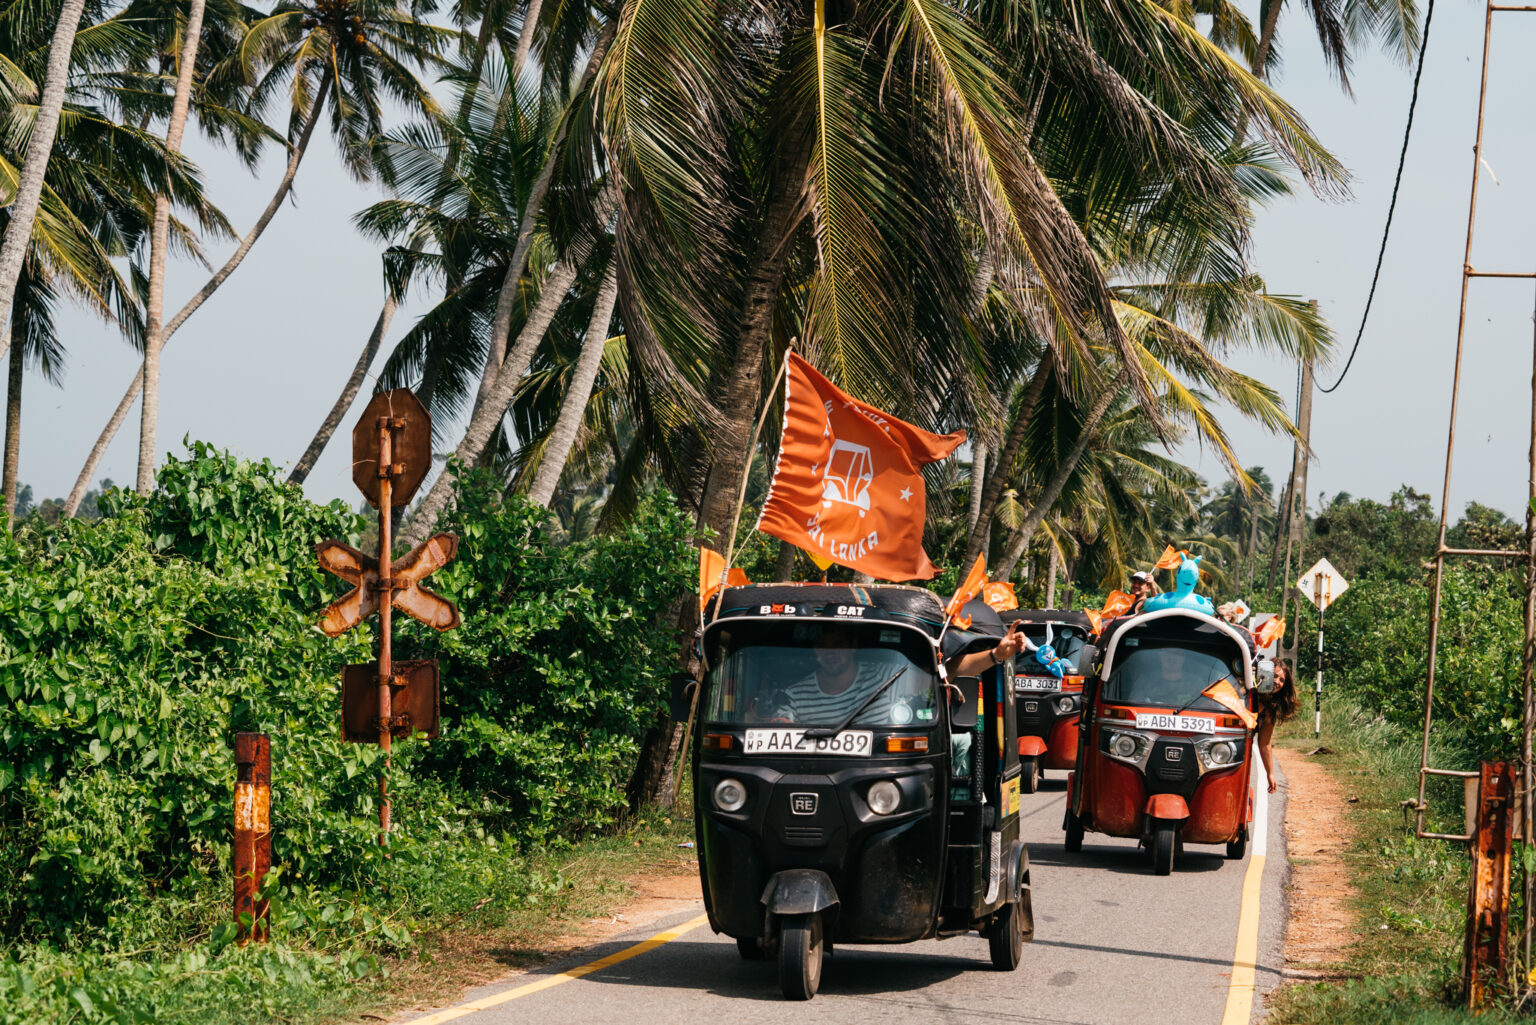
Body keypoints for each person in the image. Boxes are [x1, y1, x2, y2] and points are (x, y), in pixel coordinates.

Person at [1254, 660, 1299, 793]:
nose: (1277, 682)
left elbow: (1265, 744)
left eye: (1281, 680)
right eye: (1274, 676)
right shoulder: (1245, 690)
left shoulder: (1270, 709)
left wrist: (1270, 774)